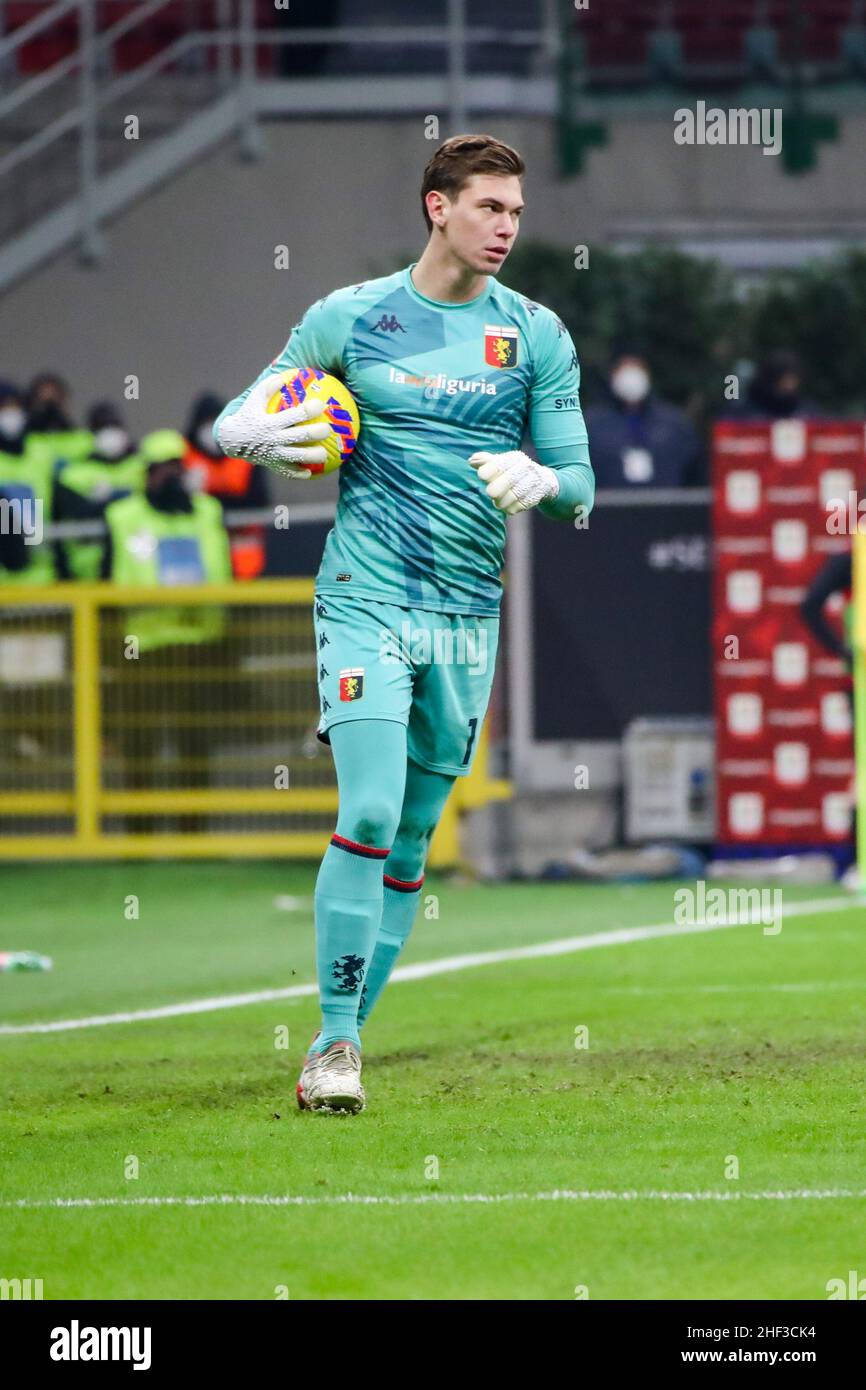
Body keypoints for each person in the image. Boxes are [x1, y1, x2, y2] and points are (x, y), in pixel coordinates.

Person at [216, 132, 595, 1114]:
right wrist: (247, 434)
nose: (506, 226)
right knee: (372, 813)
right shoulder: (351, 317)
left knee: (415, 844)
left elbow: (580, 482)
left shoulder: (535, 335)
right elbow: (241, 415)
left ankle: (343, 1032)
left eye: (514, 211)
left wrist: (547, 479)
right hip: (364, 596)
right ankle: (335, 1051)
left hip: (466, 616)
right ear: (438, 206)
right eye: (487, 207)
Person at [102, 430, 234, 836]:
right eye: (162, 470)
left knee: (195, 743)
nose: (171, 478)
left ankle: (192, 831)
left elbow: (221, 570)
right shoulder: (123, 517)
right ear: (147, 474)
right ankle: (139, 831)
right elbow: (108, 581)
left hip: (198, 644)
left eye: (177, 468)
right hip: (143, 646)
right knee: (139, 742)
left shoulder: (207, 512)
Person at [584, 348, 704, 487]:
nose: (630, 376)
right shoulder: (592, 424)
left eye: (636, 367)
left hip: (667, 504)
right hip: (607, 505)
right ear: (613, 374)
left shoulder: (674, 424)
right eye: (624, 368)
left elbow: (694, 471)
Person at [182, 391, 269, 579]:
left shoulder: (247, 453)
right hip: (200, 556)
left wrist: (209, 498)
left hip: (244, 558)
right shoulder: (184, 454)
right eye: (206, 422)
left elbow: (259, 502)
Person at [54, 402, 144, 580]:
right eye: (103, 427)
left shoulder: (141, 468)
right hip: (87, 572)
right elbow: (70, 519)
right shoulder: (73, 475)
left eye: (114, 426)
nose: (110, 433)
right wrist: (98, 504)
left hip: (133, 564)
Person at [0, 379, 59, 584]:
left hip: (42, 578)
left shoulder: (41, 451)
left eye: (15, 406)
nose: (10, 414)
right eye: (3, 407)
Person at [726, 349, 823, 422]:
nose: (788, 386)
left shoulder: (806, 413)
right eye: (784, 381)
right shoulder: (744, 414)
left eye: (792, 380)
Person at [25, 373, 92, 465]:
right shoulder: (24, 442)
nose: (51, 411)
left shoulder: (83, 440)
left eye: (55, 402)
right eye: (44, 403)